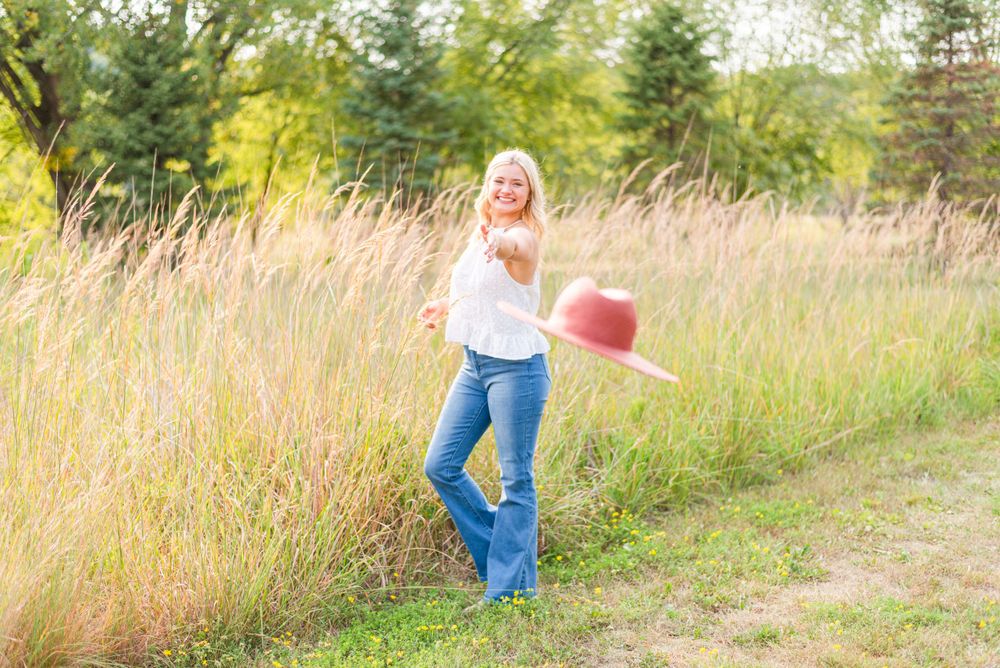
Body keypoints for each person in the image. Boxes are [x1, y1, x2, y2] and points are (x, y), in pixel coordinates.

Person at [417, 149, 551, 610]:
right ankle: (509, 551)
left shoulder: (523, 237)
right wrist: (443, 305)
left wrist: (501, 242)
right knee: (440, 464)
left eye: (516, 183)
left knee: (516, 478)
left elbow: (514, 255)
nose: (505, 190)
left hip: (517, 369)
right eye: (498, 180)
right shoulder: (480, 235)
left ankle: (508, 590)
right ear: (487, 185)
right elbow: (479, 287)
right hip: (475, 366)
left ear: (529, 192)